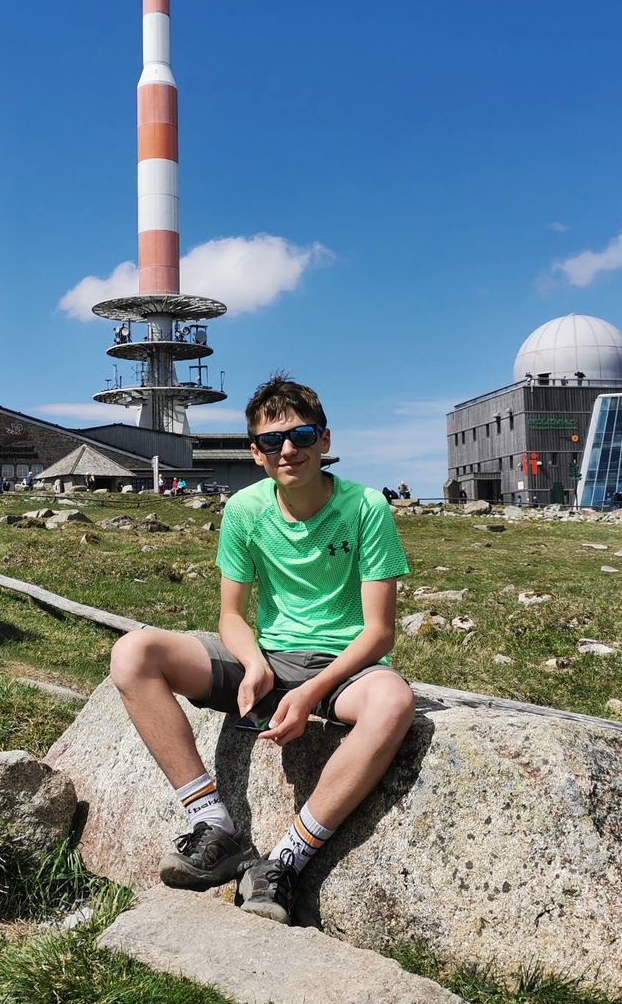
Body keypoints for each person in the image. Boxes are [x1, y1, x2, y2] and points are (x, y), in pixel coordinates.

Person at [109, 374, 414, 926]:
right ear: (255, 453)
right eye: (272, 442)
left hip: (345, 667)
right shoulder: (245, 510)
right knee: (133, 653)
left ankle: (284, 863)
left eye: (302, 436)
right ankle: (215, 826)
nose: (288, 450)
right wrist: (253, 664)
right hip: (268, 657)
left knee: (392, 703)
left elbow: (379, 633)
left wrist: (312, 693)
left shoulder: (367, 507)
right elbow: (231, 615)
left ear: (325, 440)